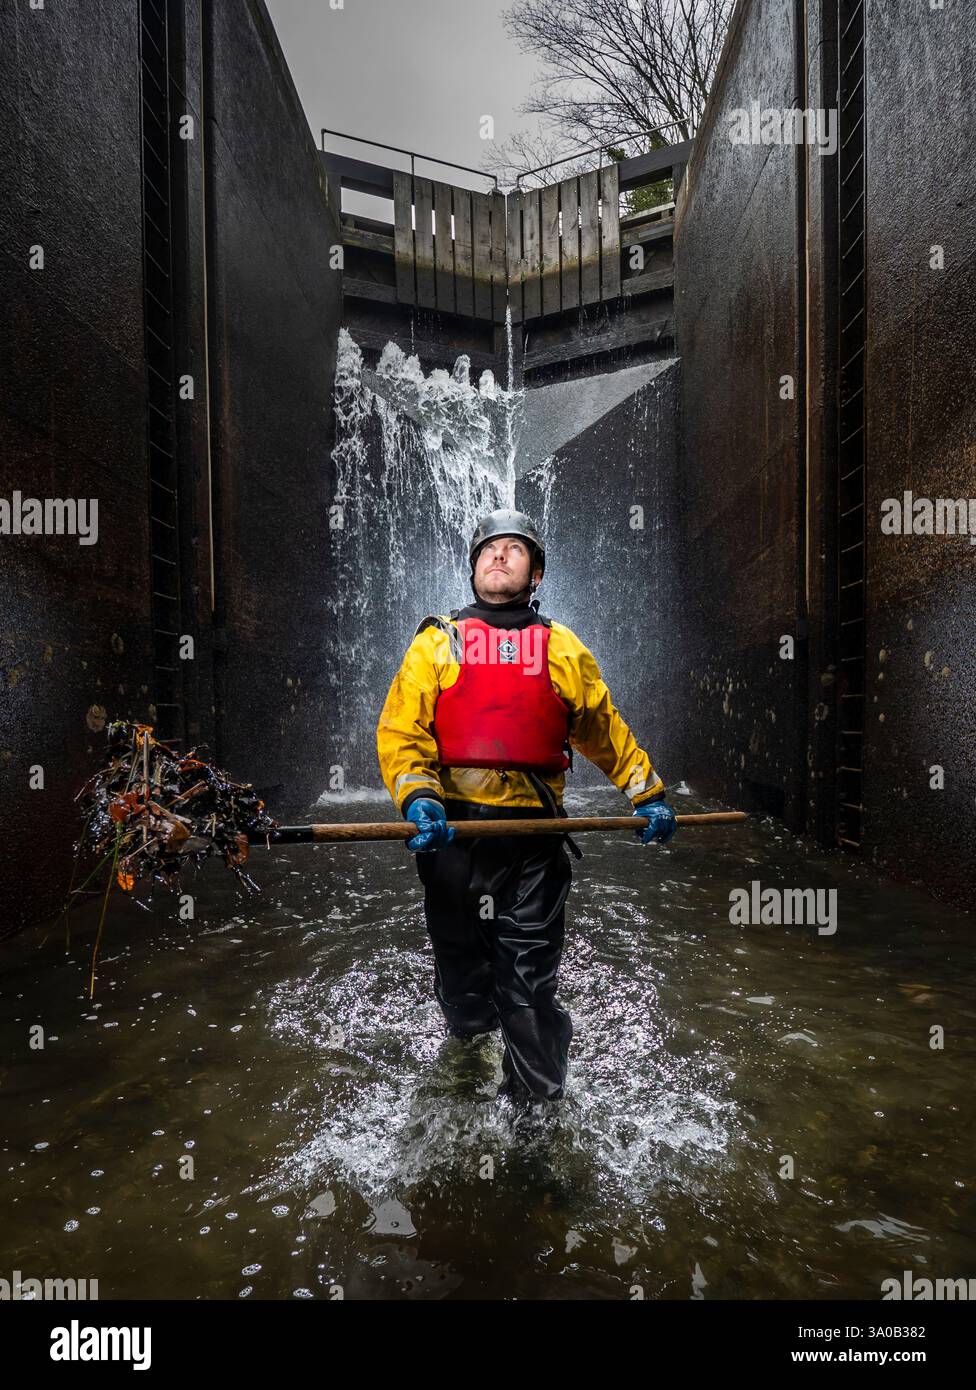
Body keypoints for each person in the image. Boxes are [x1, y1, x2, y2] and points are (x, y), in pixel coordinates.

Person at [376, 508, 677, 1106]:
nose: (498, 556)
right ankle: (465, 1079)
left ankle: (537, 1119)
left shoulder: (562, 647)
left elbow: (601, 729)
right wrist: (418, 797)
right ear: (472, 569)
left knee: (527, 985)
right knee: (463, 983)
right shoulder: (438, 642)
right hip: (452, 841)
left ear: (535, 574)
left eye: (513, 550)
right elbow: (402, 732)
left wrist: (646, 791)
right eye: (489, 549)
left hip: (535, 844)